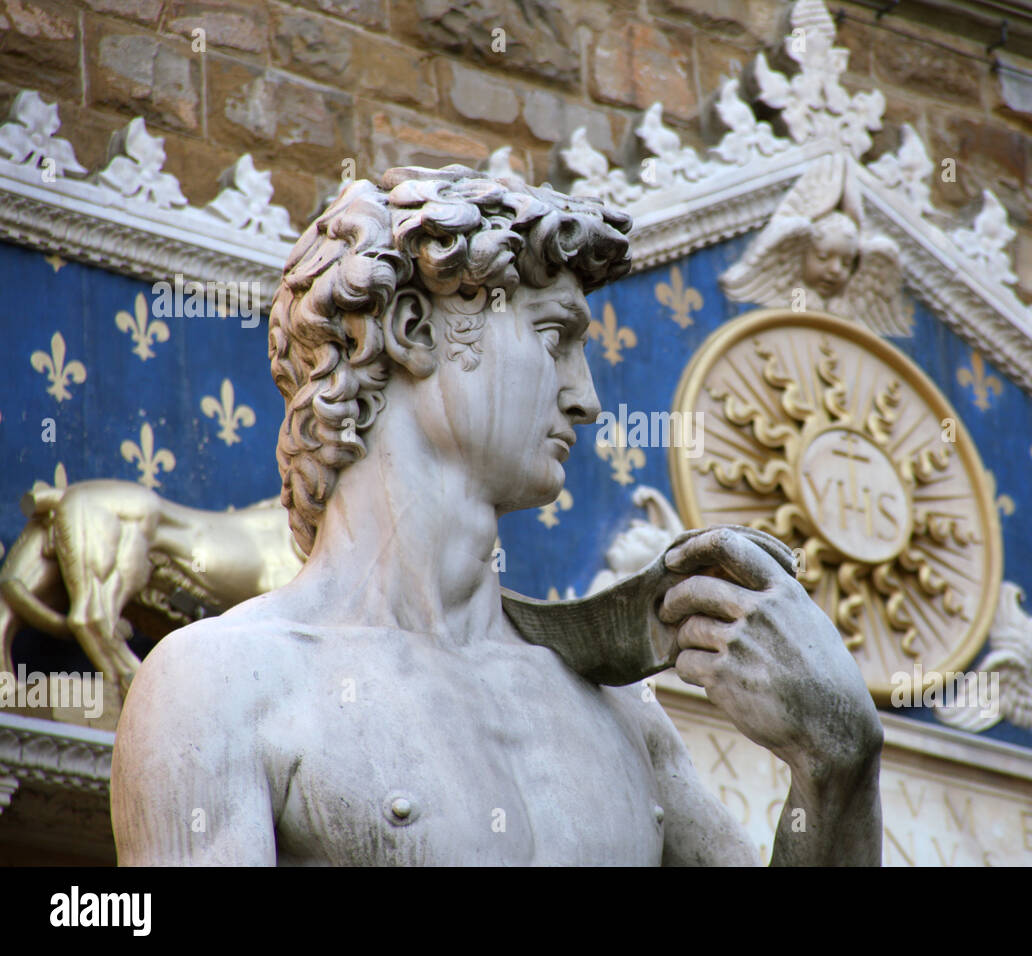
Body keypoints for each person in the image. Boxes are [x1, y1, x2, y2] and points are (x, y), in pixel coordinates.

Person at [110, 165, 882, 866]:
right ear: (412, 331)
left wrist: (838, 766)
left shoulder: (624, 718)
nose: (587, 399)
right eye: (554, 338)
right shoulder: (222, 685)